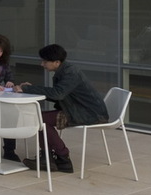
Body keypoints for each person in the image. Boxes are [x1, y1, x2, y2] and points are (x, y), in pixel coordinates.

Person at [12, 43, 109, 173]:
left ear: (57, 62)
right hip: (78, 109)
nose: (42, 64)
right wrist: (30, 89)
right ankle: (49, 159)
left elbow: (58, 94)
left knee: (41, 120)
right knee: (40, 118)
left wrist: (27, 88)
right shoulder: (64, 70)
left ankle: (62, 158)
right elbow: (59, 95)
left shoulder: (70, 73)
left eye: (45, 61)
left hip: (89, 114)